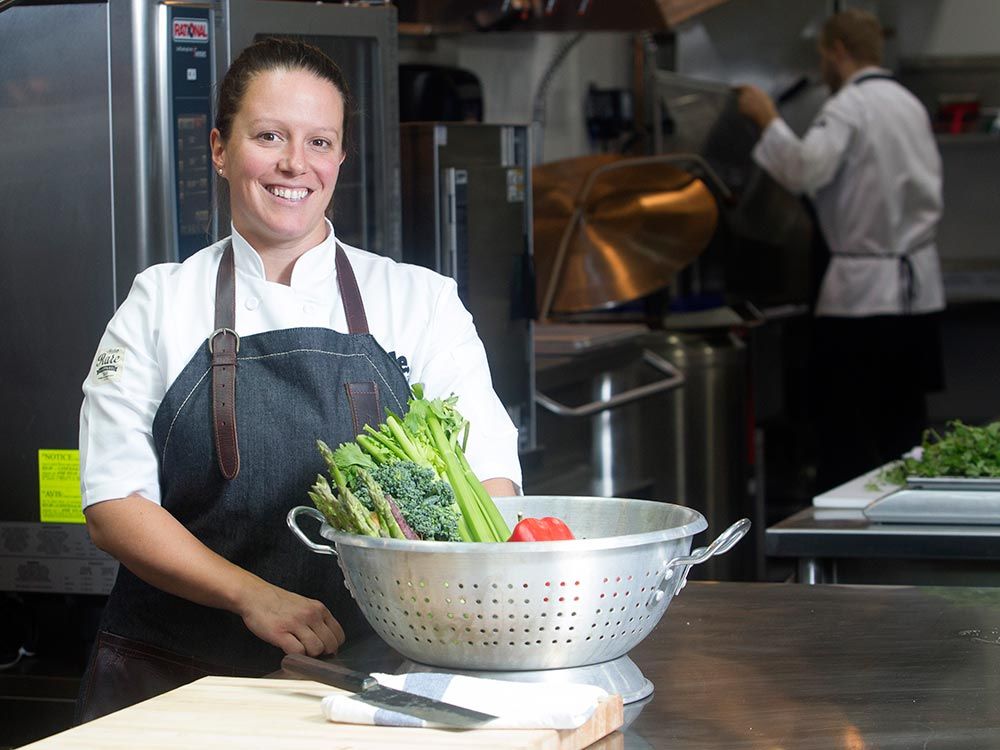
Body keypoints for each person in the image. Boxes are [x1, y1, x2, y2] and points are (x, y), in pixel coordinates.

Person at [76, 37, 520, 721]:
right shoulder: (159, 303)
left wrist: (411, 633)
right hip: (174, 686)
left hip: (364, 682)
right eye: (268, 136)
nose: (295, 164)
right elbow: (114, 504)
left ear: (341, 157)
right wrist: (256, 596)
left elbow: (490, 479)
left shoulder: (418, 301)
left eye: (320, 142)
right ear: (220, 148)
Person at [736, 9, 946, 491]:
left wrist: (767, 119)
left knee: (848, 435)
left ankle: (847, 544)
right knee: (904, 430)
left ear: (836, 51)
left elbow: (806, 171)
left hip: (862, 299)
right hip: (917, 295)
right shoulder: (909, 103)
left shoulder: (851, 105)